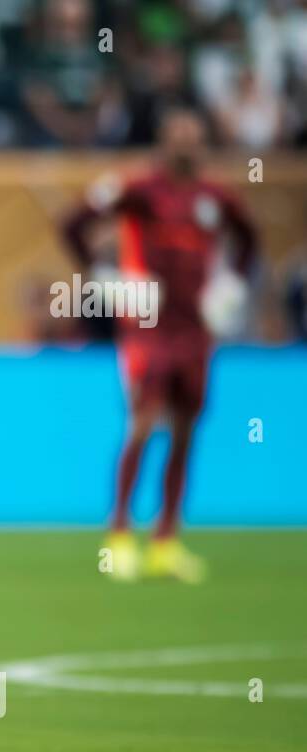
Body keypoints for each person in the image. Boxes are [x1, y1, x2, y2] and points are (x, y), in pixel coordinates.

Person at [62, 106, 257, 582]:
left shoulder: (217, 198)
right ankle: (120, 533)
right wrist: (100, 272)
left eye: (195, 137)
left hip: (196, 329)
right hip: (148, 326)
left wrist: (232, 285)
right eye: (178, 137)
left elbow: (250, 239)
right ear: (163, 142)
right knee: (144, 423)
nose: (187, 146)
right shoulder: (139, 190)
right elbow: (73, 222)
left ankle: (167, 538)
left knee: (187, 431)